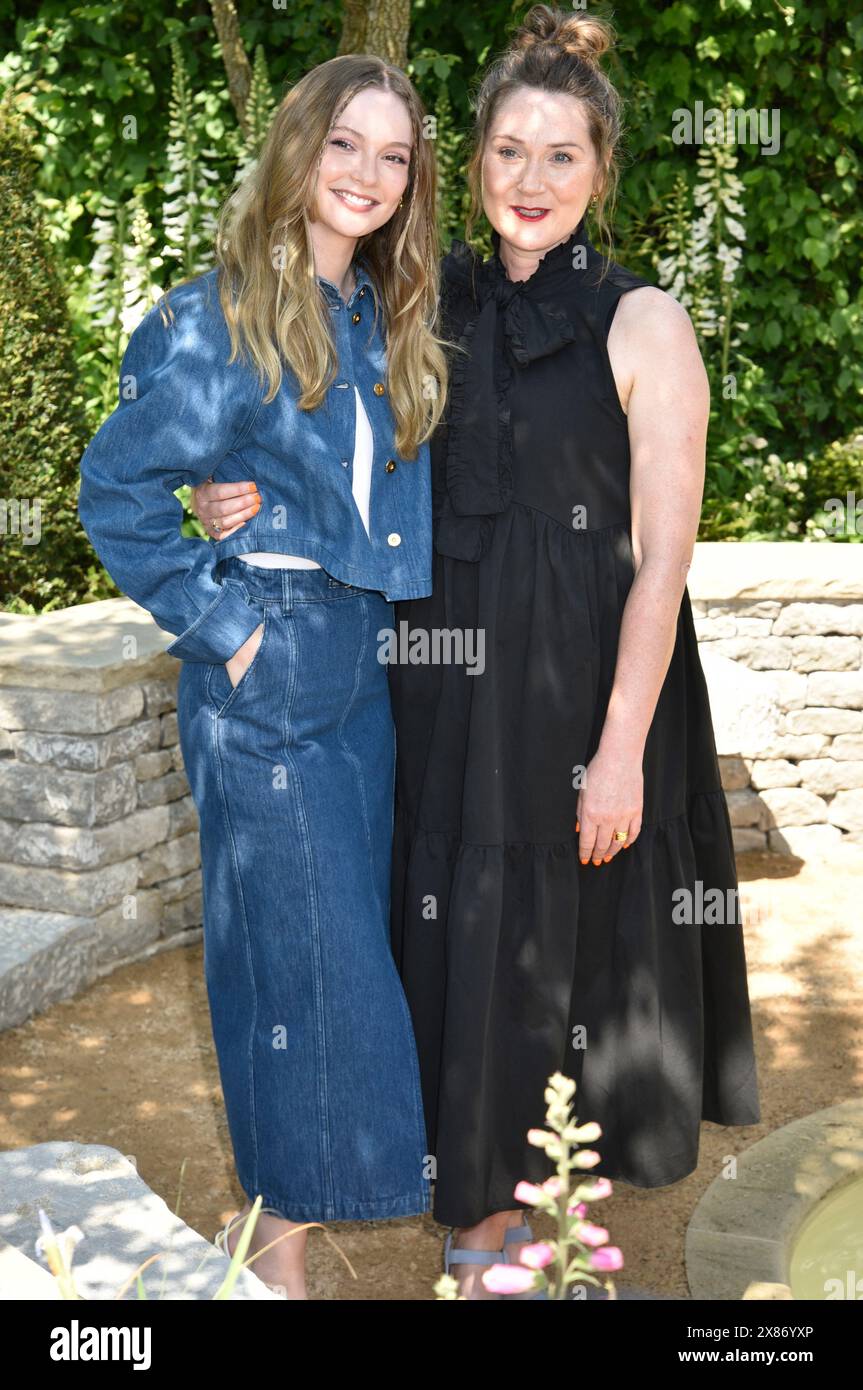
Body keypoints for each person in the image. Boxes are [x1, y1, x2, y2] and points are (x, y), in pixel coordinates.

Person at [188, 6, 762, 1302]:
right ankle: (468, 1210)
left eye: (561, 155)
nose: (530, 180)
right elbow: (314, 434)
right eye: (507, 149)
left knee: (556, 944)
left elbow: (659, 559)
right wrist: (237, 491)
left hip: (580, 705)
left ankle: (530, 1222)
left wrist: (619, 744)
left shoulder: (642, 323)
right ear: (472, 159)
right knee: (444, 936)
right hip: (431, 692)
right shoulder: (411, 300)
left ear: (598, 171)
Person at [78, 53, 448, 1300]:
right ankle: (281, 1280)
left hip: (359, 671)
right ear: (297, 147)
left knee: (330, 959)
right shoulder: (212, 316)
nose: (367, 175)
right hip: (269, 664)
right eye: (345, 144)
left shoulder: (378, 316)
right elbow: (111, 491)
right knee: (298, 971)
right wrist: (225, 621)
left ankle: (286, 1258)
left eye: (392, 156)